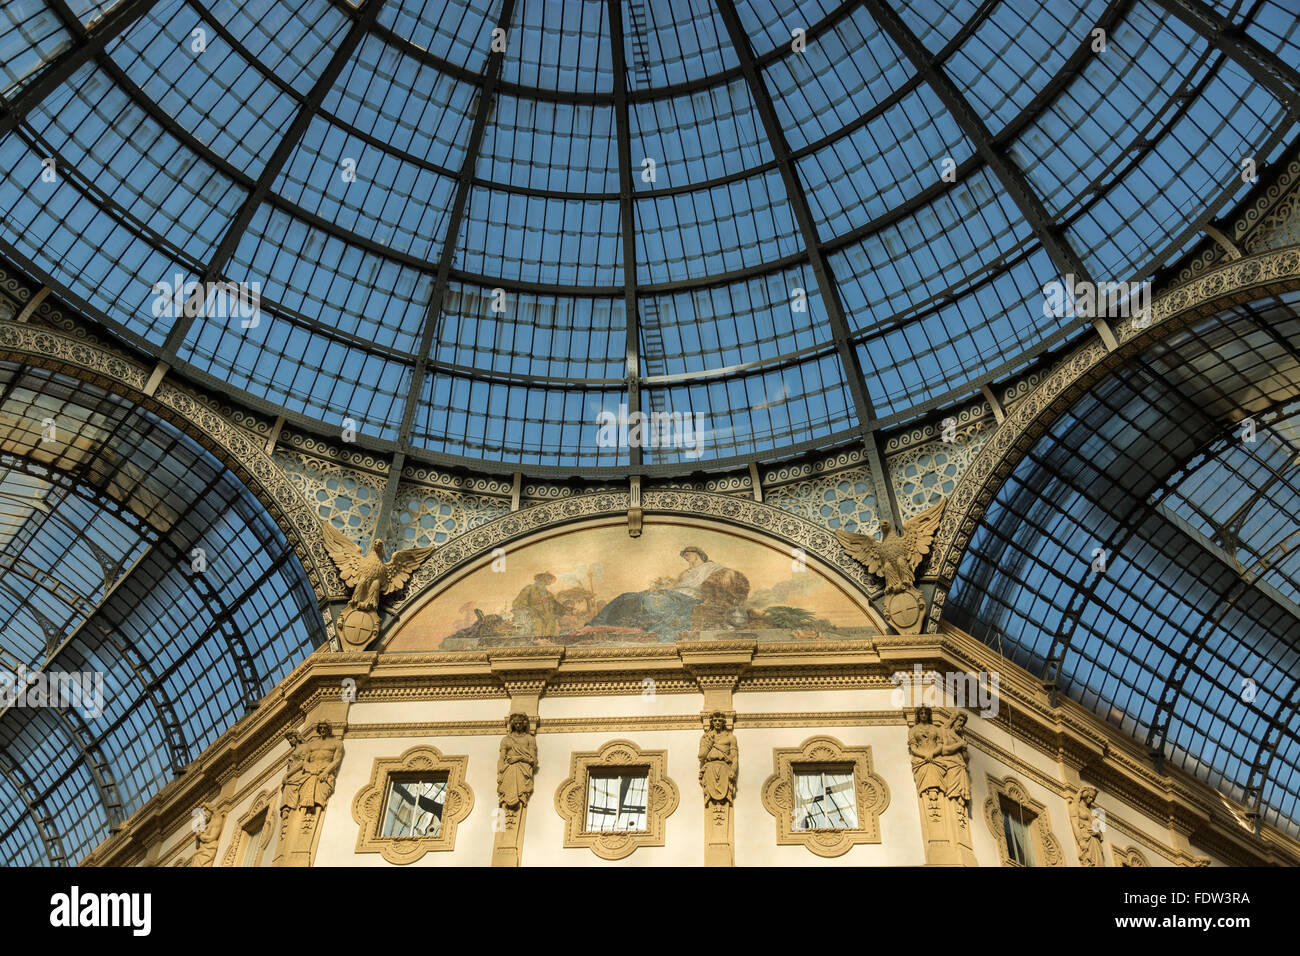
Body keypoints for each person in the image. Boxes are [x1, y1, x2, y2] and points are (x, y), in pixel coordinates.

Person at [587, 546, 732, 640]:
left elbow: (728, 571)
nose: (686, 558)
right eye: (685, 556)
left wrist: (727, 576)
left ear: (697, 554)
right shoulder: (685, 572)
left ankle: (638, 626)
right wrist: (660, 588)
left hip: (689, 598)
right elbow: (675, 586)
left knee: (650, 600)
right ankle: (596, 624)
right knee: (629, 596)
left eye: (687, 555)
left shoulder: (709, 567)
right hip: (673, 594)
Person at [497, 713, 538, 809]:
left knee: (521, 789)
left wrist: (518, 758)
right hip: (508, 769)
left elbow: (533, 761)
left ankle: (522, 796)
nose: (518, 726)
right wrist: (500, 772)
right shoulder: (506, 739)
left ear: (524, 724)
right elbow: (502, 758)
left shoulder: (530, 738)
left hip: (523, 769)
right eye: (516, 724)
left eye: (520, 723)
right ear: (512, 724)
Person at [698, 712, 738, 805]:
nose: (717, 722)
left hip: (725, 768)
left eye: (720, 720)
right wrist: (709, 744)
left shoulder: (731, 738)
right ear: (711, 722)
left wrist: (733, 770)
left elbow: (734, 756)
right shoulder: (706, 737)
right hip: (709, 768)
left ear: (723, 722)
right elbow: (701, 757)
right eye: (715, 720)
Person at [512, 572, 561, 638]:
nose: (550, 581)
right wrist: (529, 611)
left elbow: (555, 607)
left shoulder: (549, 594)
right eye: (548, 578)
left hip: (548, 617)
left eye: (550, 579)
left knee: (551, 626)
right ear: (541, 578)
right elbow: (518, 603)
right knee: (537, 625)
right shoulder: (530, 588)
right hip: (533, 616)